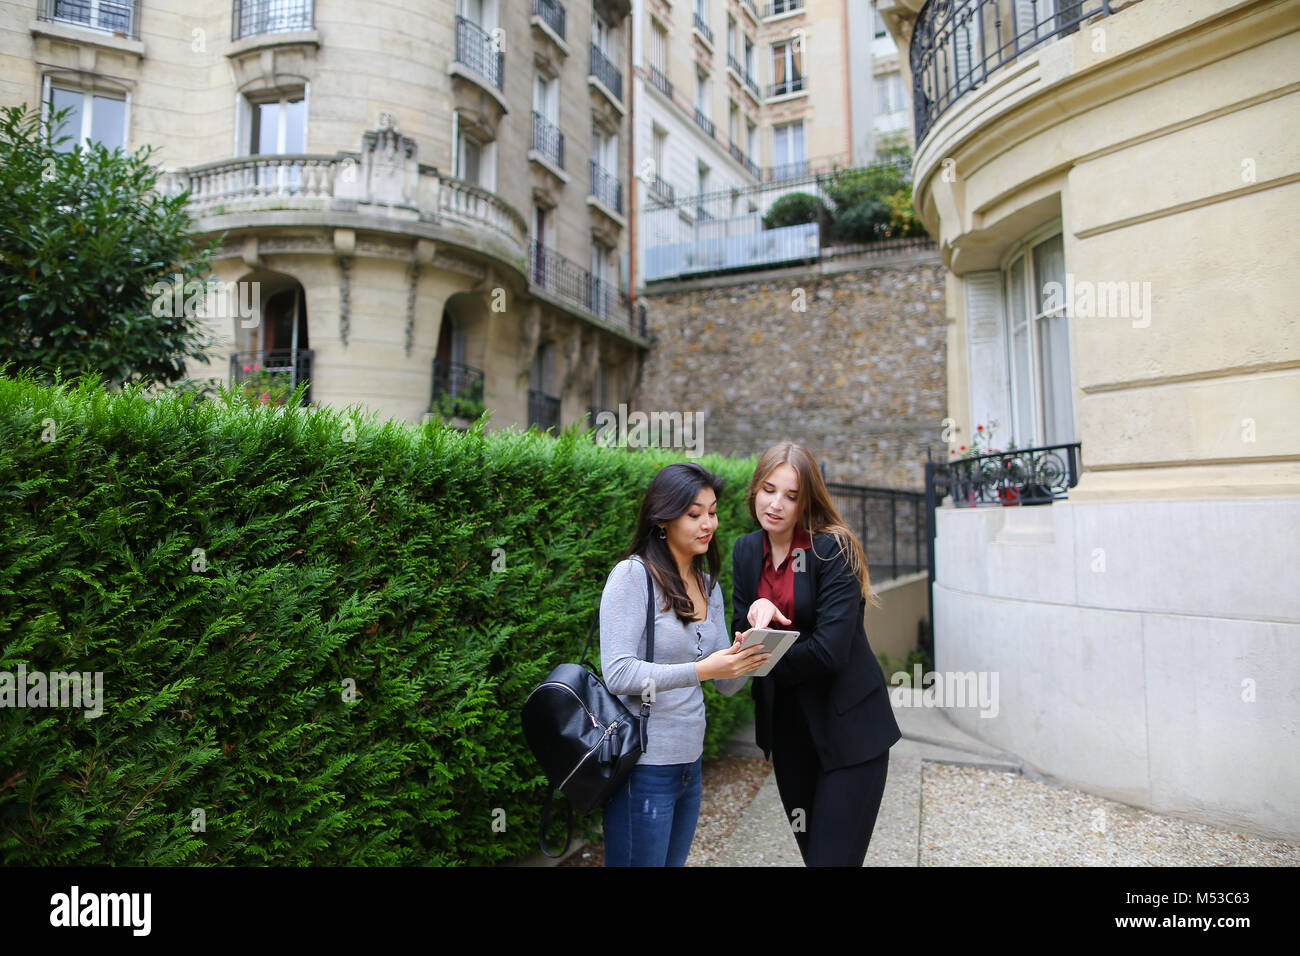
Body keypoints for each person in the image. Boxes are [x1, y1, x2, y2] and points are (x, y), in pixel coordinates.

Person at [730, 442, 902, 866]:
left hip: (851, 734)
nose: (776, 504)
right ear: (754, 489)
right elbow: (738, 636)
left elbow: (830, 652)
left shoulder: (832, 549)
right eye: (769, 489)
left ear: (807, 501)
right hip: (789, 736)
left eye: (791, 496)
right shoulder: (746, 551)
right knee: (815, 856)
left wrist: (761, 644)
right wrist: (758, 623)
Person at [599, 462, 770, 866]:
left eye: (711, 512)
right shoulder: (632, 576)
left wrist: (749, 655)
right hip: (642, 766)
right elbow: (618, 672)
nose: (707, 523)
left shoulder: (709, 585)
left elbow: (725, 686)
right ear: (663, 519)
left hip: (689, 764)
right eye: (694, 514)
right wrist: (702, 669)